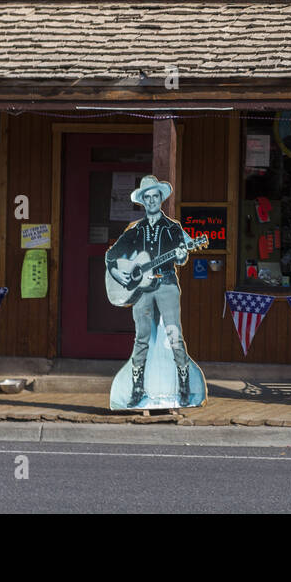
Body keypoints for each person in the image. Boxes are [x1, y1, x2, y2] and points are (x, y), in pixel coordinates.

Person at [105, 174, 196, 408]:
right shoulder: (136, 230)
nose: (153, 201)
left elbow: (183, 256)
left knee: (174, 334)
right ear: (143, 202)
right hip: (142, 290)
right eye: (148, 197)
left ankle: (183, 386)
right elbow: (111, 255)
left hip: (166, 283)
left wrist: (182, 254)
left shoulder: (173, 228)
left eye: (156, 196)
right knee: (142, 337)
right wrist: (118, 274)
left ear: (161, 199)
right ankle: (137, 389)